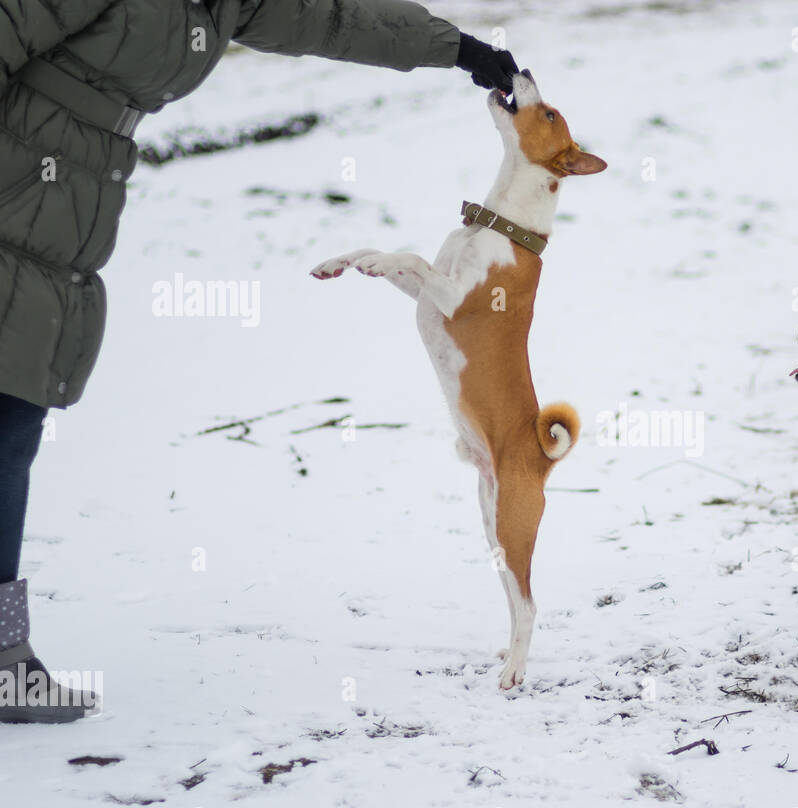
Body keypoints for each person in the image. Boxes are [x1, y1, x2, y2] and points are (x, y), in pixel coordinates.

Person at [0, 0, 520, 723]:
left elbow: (332, 17)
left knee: (15, 418)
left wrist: (455, 49)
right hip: (21, 181)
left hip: (66, 204)